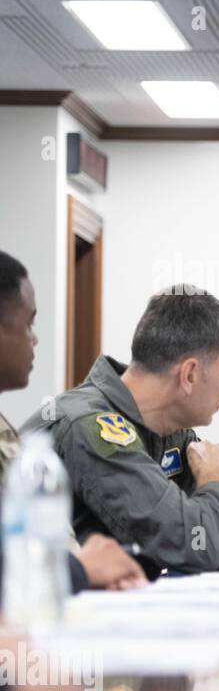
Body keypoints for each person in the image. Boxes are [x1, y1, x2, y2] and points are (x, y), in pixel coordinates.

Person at [21, 284, 219, 574]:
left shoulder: (169, 428)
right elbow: (192, 544)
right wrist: (214, 479)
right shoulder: (93, 428)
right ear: (189, 374)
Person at [0, 250, 144, 595]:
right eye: (28, 322)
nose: (34, 338)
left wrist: (89, 572)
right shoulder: (86, 419)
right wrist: (80, 569)